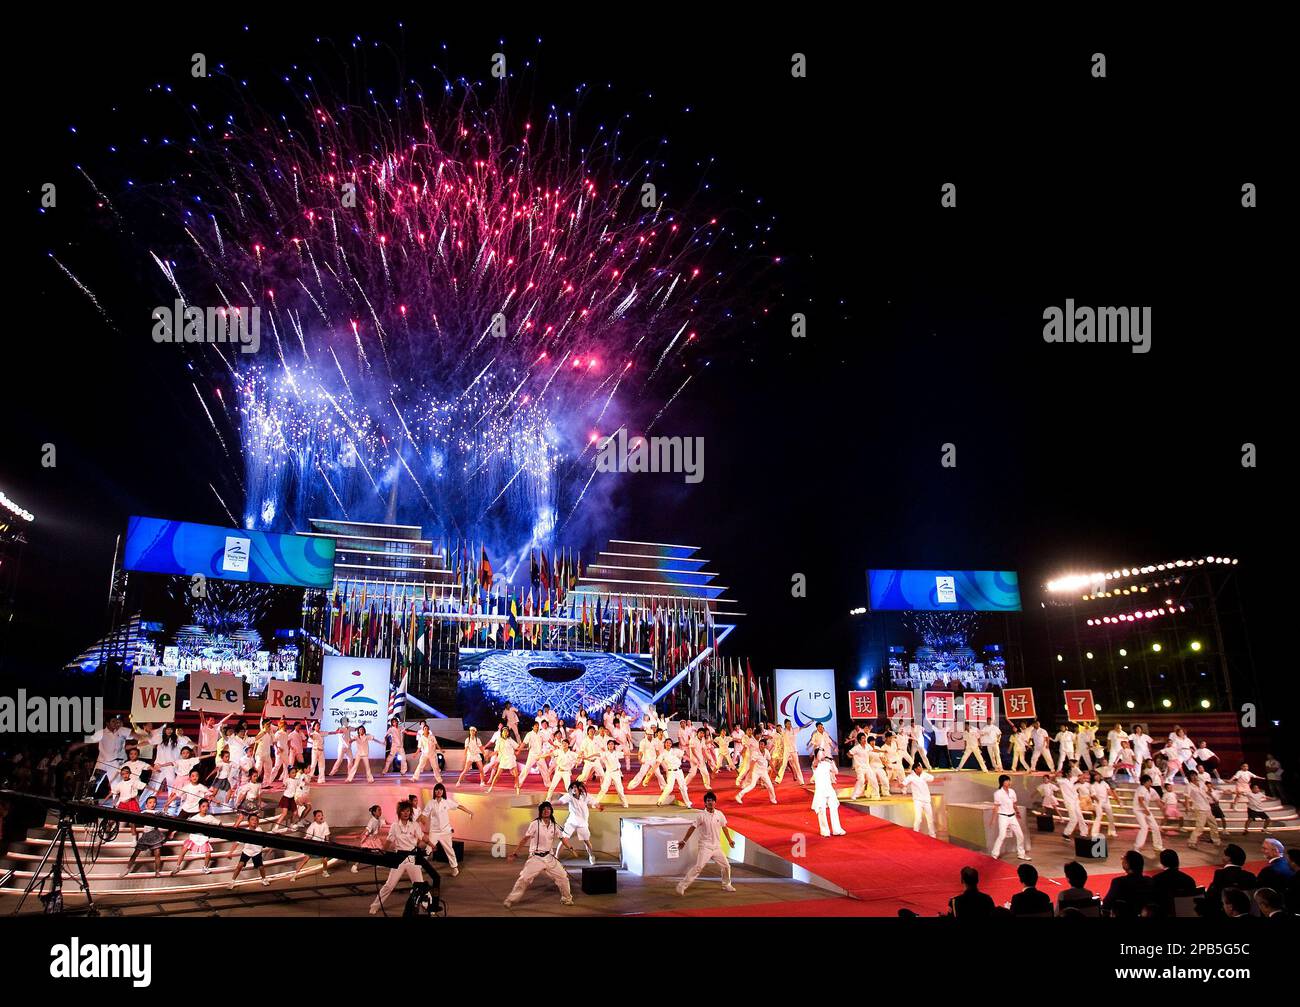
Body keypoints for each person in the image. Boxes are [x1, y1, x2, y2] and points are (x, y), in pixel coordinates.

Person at [503, 801, 575, 908]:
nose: (546, 811)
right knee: (524, 878)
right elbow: (525, 839)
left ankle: (566, 898)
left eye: (548, 809)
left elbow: (562, 838)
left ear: (551, 811)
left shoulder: (554, 825)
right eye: (544, 809)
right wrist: (515, 853)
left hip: (549, 857)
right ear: (540, 811)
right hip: (536, 857)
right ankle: (510, 899)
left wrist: (571, 848)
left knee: (563, 877)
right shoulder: (535, 824)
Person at [368, 801, 430, 915]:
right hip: (399, 859)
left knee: (420, 885)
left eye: (408, 811)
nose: (406, 813)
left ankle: (428, 906)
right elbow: (388, 841)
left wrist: (429, 846)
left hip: (412, 858)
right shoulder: (395, 826)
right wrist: (381, 854)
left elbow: (421, 840)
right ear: (399, 812)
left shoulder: (415, 825)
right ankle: (375, 905)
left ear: (410, 812)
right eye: (403, 811)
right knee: (389, 885)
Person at [676, 790, 737, 895]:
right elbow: (692, 827)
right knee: (698, 867)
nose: (711, 802)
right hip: (705, 847)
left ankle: (726, 884)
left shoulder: (720, 814)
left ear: (715, 802)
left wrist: (730, 840)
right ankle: (682, 886)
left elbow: (724, 827)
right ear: (705, 803)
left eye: (712, 800)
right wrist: (684, 841)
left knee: (726, 866)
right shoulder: (701, 815)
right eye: (708, 800)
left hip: (717, 847)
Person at [420, 782, 472, 876]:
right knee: (428, 848)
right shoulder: (431, 803)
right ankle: (420, 866)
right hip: (434, 831)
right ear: (434, 791)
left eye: (440, 789)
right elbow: (424, 815)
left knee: (449, 849)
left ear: (443, 791)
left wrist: (469, 812)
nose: (438, 791)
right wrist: (419, 822)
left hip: (445, 831)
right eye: (437, 789)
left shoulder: (447, 801)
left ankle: (454, 868)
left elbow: (459, 806)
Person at [555, 780, 602, 865]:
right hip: (571, 821)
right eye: (572, 787)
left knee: (586, 841)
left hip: (583, 823)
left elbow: (595, 803)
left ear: (579, 788)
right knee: (564, 839)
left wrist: (599, 807)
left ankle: (591, 856)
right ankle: (556, 857)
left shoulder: (585, 796)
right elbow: (560, 802)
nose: (573, 789)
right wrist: (548, 803)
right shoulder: (569, 796)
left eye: (575, 787)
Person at [120, 794, 166, 878]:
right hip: (146, 835)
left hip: (155, 835)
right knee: (135, 853)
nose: (153, 804)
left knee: (157, 853)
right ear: (146, 805)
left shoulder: (157, 812)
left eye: (154, 802)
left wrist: (163, 813)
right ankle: (127, 869)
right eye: (150, 802)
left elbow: (165, 816)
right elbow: (134, 819)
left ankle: (157, 871)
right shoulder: (143, 812)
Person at [171, 799, 221, 875]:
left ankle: (205, 867)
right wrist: (174, 831)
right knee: (183, 851)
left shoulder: (210, 817)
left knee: (208, 854)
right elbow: (184, 826)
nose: (205, 808)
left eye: (207, 806)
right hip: (194, 838)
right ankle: (177, 866)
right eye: (203, 806)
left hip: (203, 839)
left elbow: (219, 823)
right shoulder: (194, 818)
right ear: (199, 808)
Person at [1102, 851, 1155, 918]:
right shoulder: (1149, 881)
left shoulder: (1118, 882)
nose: (1122, 859)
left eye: (1124, 858)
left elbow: (1107, 903)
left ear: (1127, 864)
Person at [990, 775, 1030, 860]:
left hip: (1012, 816)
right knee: (1002, 835)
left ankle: (1021, 854)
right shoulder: (998, 793)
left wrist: (1017, 812)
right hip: (1003, 817)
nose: (1009, 782)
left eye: (1009, 781)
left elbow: (1014, 804)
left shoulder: (1012, 791)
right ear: (1002, 782)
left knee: (1020, 835)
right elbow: (996, 807)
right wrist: (993, 820)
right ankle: (994, 854)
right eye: (1007, 781)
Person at [228, 814, 272, 887]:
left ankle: (264, 879)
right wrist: (230, 852)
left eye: (256, 820)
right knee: (239, 866)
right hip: (247, 851)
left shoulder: (259, 830)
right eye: (252, 819)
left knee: (261, 867)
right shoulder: (245, 832)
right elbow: (237, 842)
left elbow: (264, 840)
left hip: (256, 852)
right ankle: (232, 881)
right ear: (248, 821)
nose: (254, 821)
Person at [811, 750, 847, 837]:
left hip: (829, 788)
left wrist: (832, 762)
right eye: (821, 753)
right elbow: (816, 761)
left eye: (823, 753)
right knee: (821, 810)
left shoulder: (827, 763)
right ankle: (824, 831)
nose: (823, 754)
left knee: (834, 808)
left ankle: (837, 829)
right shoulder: (815, 764)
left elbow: (836, 771)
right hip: (820, 790)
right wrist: (819, 752)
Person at [1151, 848, 1197, 913]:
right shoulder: (1189, 880)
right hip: (1184, 914)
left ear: (1162, 862)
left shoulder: (1156, 879)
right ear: (1177, 861)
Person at [292, 809, 334, 878]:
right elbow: (309, 836)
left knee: (325, 858)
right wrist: (305, 840)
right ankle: (295, 874)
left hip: (322, 844)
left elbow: (327, 835)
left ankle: (325, 872)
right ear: (315, 818)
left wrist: (327, 843)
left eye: (322, 815)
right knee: (306, 859)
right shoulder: (313, 825)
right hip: (314, 844)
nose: (321, 817)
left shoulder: (325, 824)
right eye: (318, 816)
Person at [736, 737, 778, 804]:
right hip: (756, 772)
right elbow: (752, 763)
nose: (760, 746)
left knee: (770, 786)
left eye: (762, 744)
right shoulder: (755, 752)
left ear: (765, 745)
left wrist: (775, 770)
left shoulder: (766, 752)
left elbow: (770, 761)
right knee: (752, 785)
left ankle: (773, 799)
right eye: (760, 744)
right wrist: (751, 772)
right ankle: (739, 796)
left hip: (764, 772)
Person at [1186, 773, 1223, 850]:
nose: (1194, 777)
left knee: (1213, 825)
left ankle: (1216, 840)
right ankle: (1192, 842)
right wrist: (1187, 806)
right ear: (1189, 777)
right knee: (1200, 827)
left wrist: (1214, 798)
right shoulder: (1189, 786)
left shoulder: (1202, 783)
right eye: (1192, 776)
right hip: (1199, 808)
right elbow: (1186, 796)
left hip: (1207, 807)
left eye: (1195, 775)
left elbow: (1207, 792)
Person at [902, 762, 936, 837]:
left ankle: (932, 835)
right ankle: (915, 834)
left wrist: (942, 779)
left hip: (927, 800)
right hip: (918, 801)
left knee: (930, 819)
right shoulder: (911, 777)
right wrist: (900, 785)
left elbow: (932, 779)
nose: (921, 768)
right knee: (918, 819)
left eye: (921, 767)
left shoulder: (924, 774)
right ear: (915, 769)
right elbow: (904, 783)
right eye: (920, 767)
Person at [352, 804, 389, 873]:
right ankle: (355, 866)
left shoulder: (378, 820)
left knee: (379, 851)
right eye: (379, 810)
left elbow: (380, 825)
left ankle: (378, 863)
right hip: (370, 839)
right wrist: (362, 835)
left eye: (381, 810)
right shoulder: (372, 821)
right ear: (374, 812)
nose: (381, 811)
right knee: (364, 853)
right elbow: (367, 829)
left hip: (375, 839)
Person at [1132, 778, 1164, 853]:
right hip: (1138, 810)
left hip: (1146, 810)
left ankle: (1158, 846)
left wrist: (1162, 808)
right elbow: (1140, 800)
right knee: (1144, 827)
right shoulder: (1141, 789)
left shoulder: (1152, 790)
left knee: (1155, 827)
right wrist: (1145, 810)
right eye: (1149, 781)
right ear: (1144, 782)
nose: (1150, 783)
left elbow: (1157, 800)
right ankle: (1137, 847)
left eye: (1150, 781)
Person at [656, 739, 692, 807]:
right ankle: (660, 801)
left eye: (669, 743)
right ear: (664, 744)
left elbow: (684, 755)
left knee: (683, 787)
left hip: (679, 771)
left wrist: (691, 760)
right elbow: (657, 763)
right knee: (669, 788)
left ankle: (688, 803)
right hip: (670, 772)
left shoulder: (675, 750)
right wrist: (650, 772)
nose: (668, 744)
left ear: (671, 744)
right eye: (667, 743)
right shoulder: (663, 753)